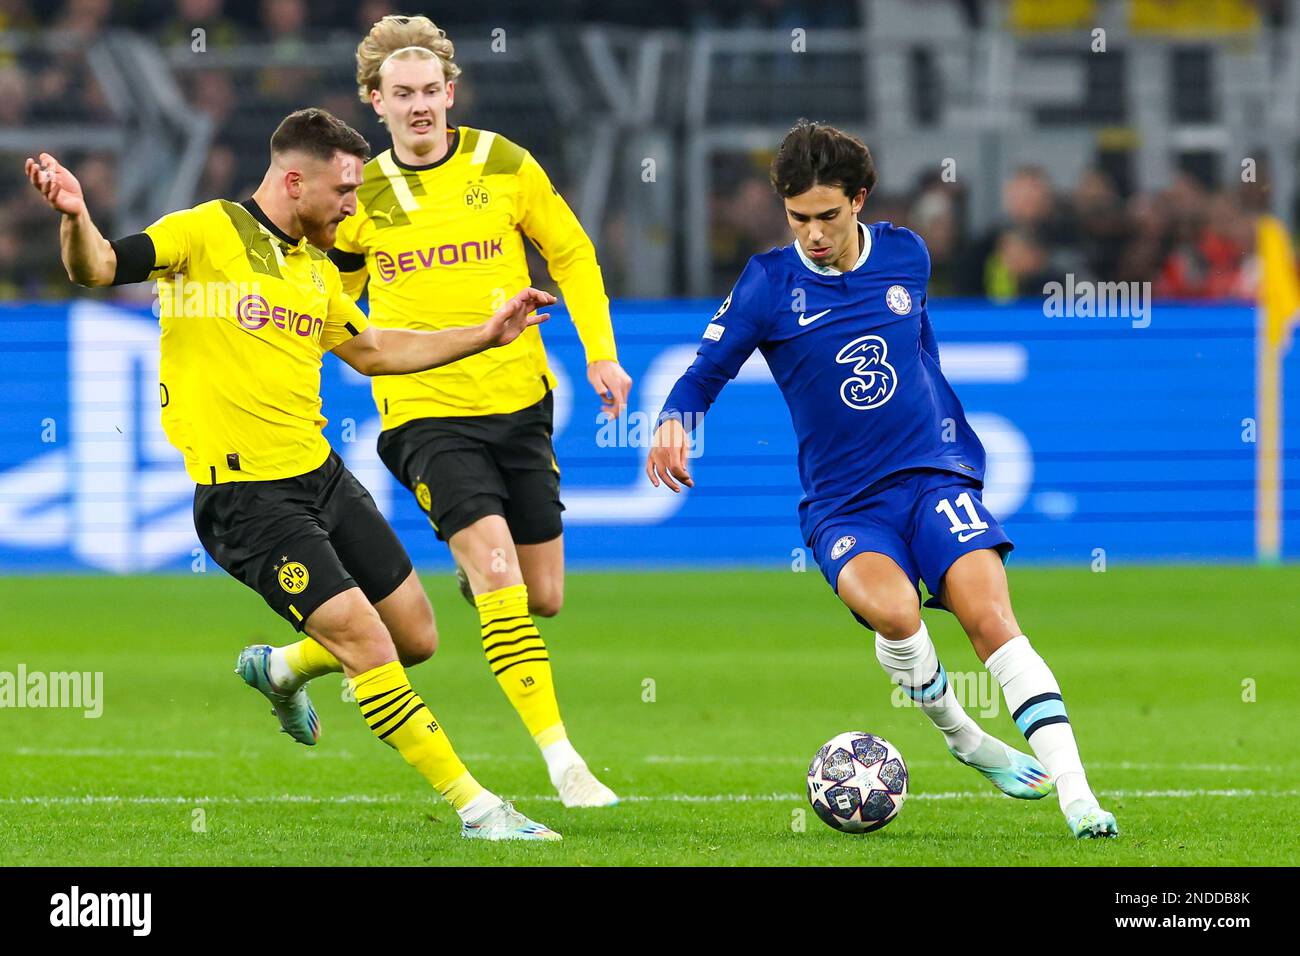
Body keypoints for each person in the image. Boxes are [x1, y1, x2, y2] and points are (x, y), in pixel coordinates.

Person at [25, 107, 563, 842]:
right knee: (369, 646)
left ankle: (279, 670)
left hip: (322, 477)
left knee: (415, 637)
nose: (354, 205)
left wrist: (487, 333)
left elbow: (373, 350)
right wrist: (75, 217)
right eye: (345, 191)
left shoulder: (314, 269)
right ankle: (479, 810)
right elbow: (101, 267)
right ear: (293, 179)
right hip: (246, 498)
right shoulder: (204, 233)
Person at [646, 119, 1117, 839]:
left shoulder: (906, 255)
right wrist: (676, 417)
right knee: (895, 613)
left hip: (932, 478)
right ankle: (966, 739)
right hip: (845, 505)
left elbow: (920, 356)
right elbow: (706, 369)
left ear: (860, 199)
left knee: (992, 621)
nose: (812, 233)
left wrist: (949, 443)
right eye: (798, 218)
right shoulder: (768, 283)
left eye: (827, 216)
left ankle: (1079, 796)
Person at [324, 15, 630, 808]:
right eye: (403, 95)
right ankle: (565, 764)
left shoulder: (503, 163)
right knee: (498, 572)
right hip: (424, 414)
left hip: (520, 403)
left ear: (451, 92)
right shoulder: (358, 193)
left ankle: (293, 662)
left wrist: (599, 350)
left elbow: (569, 252)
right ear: (374, 102)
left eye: (431, 91)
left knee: (540, 596)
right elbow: (334, 304)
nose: (420, 106)